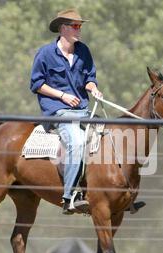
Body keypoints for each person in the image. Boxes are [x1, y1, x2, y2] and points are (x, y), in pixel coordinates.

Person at [30, 8, 103, 215]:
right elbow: (37, 84)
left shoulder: (83, 51)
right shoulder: (45, 53)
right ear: (63, 28)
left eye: (80, 26)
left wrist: (94, 89)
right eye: (75, 26)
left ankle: (117, 195)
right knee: (77, 142)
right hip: (58, 112)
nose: (79, 30)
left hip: (82, 111)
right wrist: (62, 96)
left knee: (110, 136)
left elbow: (90, 78)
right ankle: (69, 197)